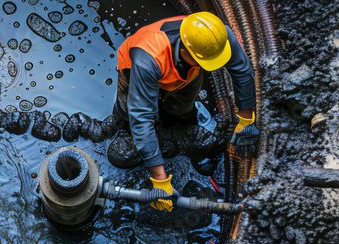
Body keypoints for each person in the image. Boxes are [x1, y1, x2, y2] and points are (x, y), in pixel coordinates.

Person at [108, 12, 257, 211]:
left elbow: (242, 70)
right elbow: (141, 118)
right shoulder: (147, 58)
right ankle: (123, 126)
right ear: (187, 50)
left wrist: (246, 119)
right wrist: (160, 180)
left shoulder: (217, 37)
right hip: (134, 69)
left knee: (182, 109)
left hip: (184, 73)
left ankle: (177, 120)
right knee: (129, 112)